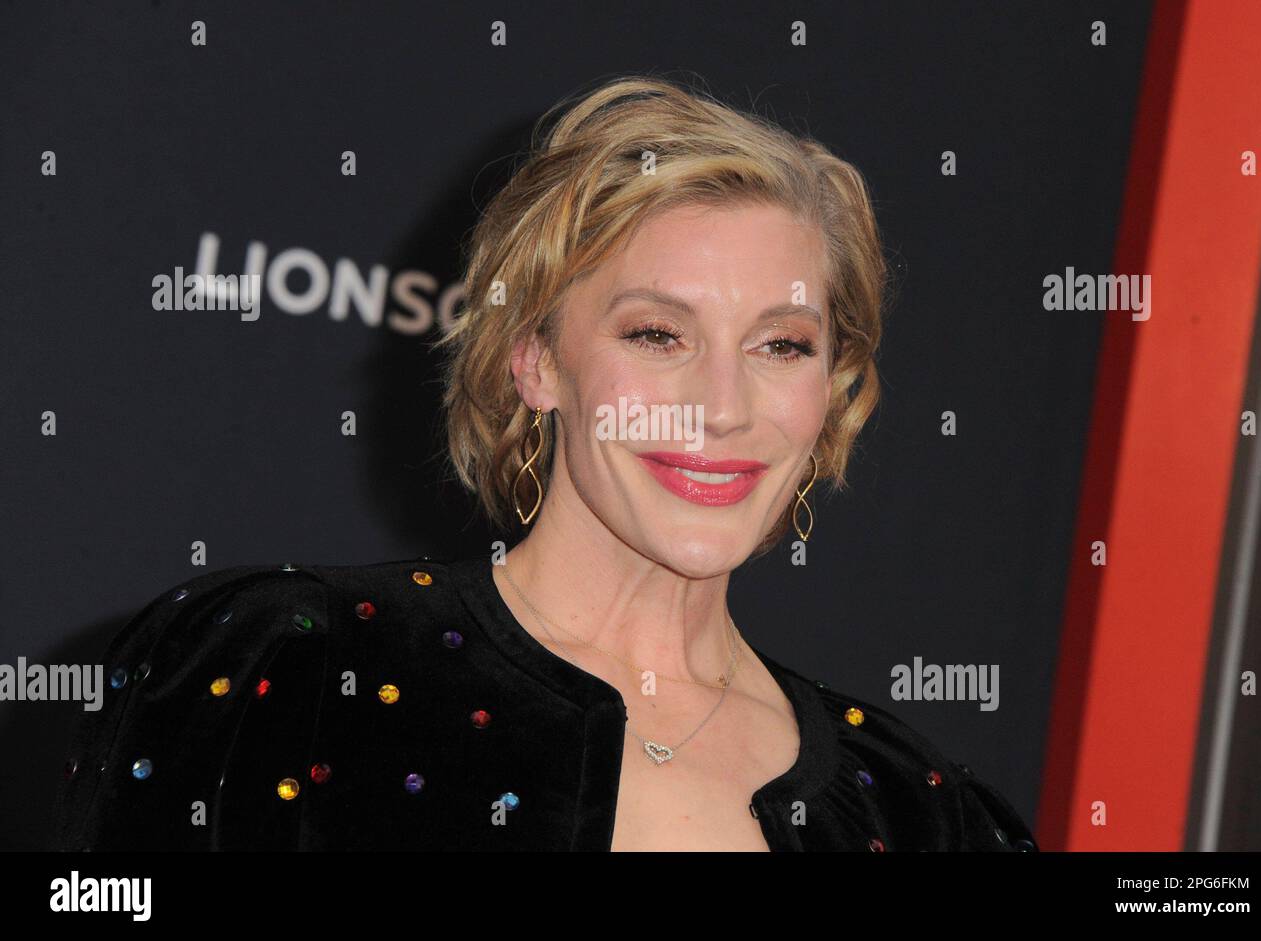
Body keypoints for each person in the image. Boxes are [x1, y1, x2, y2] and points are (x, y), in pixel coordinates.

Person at [52, 74, 1037, 852]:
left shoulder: (914, 811)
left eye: (781, 344)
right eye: (657, 333)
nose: (723, 407)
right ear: (533, 360)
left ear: (830, 389)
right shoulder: (293, 667)